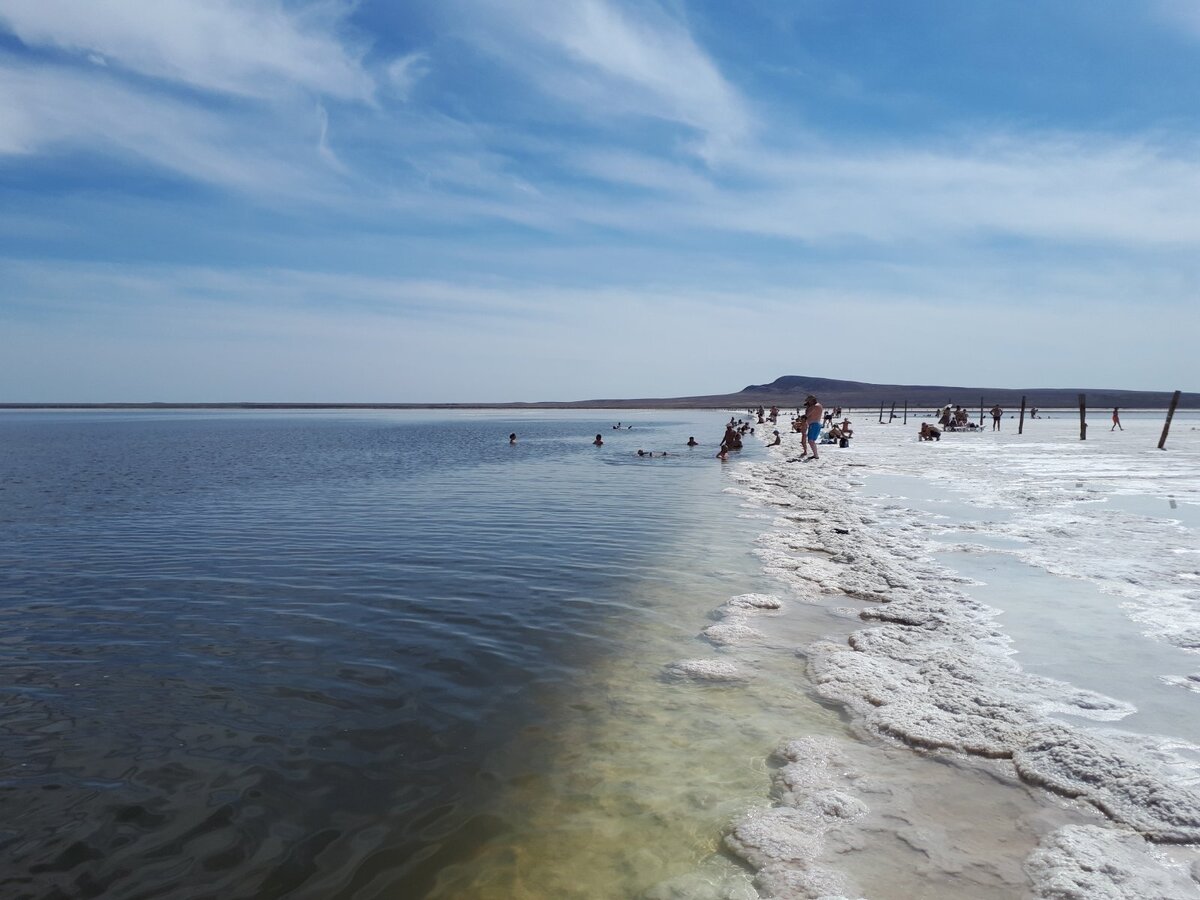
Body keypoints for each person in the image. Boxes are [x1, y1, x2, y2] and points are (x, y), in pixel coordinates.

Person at [803, 395, 824, 460]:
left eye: (808, 401)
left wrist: (808, 408)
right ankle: (815, 455)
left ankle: (816, 455)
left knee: (811, 441)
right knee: (811, 440)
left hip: (814, 424)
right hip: (815, 424)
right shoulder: (818, 405)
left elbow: (807, 415)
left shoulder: (815, 406)